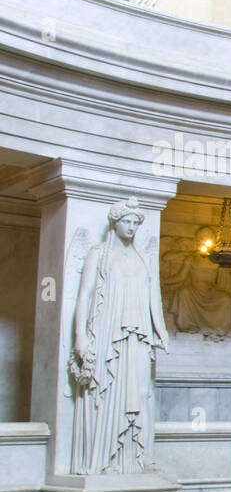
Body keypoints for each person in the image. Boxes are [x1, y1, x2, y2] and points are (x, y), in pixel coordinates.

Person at [69, 197, 169, 474]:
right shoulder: (98, 254)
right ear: (115, 222)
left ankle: (133, 456)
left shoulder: (143, 258)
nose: (132, 227)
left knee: (139, 390)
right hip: (107, 332)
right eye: (127, 221)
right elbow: (84, 296)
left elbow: (153, 298)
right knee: (107, 391)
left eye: (136, 223)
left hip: (138, 334)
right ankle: (104, 460)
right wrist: (80, 336)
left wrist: (160, 331)